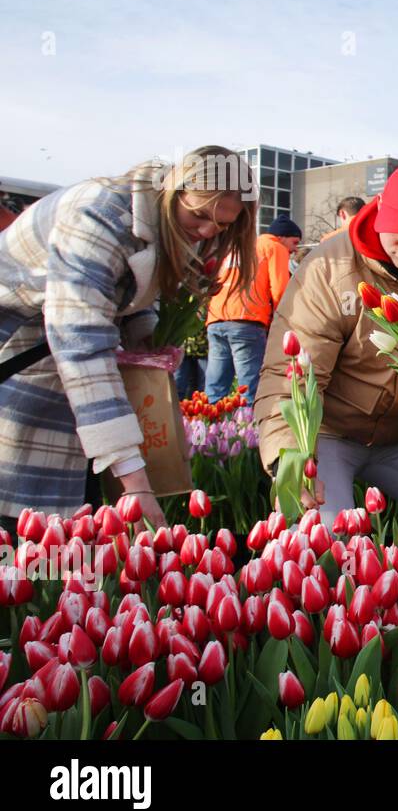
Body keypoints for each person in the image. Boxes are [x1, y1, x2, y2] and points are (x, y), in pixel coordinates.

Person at [0, 146, 257, 528]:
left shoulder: (170, 219)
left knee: (65, 512)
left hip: (54, 351)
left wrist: (146, 343)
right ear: (175, 189)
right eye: (200, 215)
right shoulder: (99, 215)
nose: (206, 232)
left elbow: (133, 296)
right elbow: (81, 343)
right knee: (22, 506)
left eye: (221, 225)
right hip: (17, 348)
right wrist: (135, 482)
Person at [253, 163, 398, 526]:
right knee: (324, 539)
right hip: (327, 434)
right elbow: (291, 374)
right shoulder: (329, 269)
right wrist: (291, 455)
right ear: (379, 207)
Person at [204, 214, 299, 402]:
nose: (295, 249)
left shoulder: (237, 248)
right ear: (281, 237)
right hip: (246, 319)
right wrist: (286, 323)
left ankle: (210, 428)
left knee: (215, 387)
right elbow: (280, 290)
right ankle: (251, 428)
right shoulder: (274, 248)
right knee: (250, 387)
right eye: (294, 242)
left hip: (216, 319)